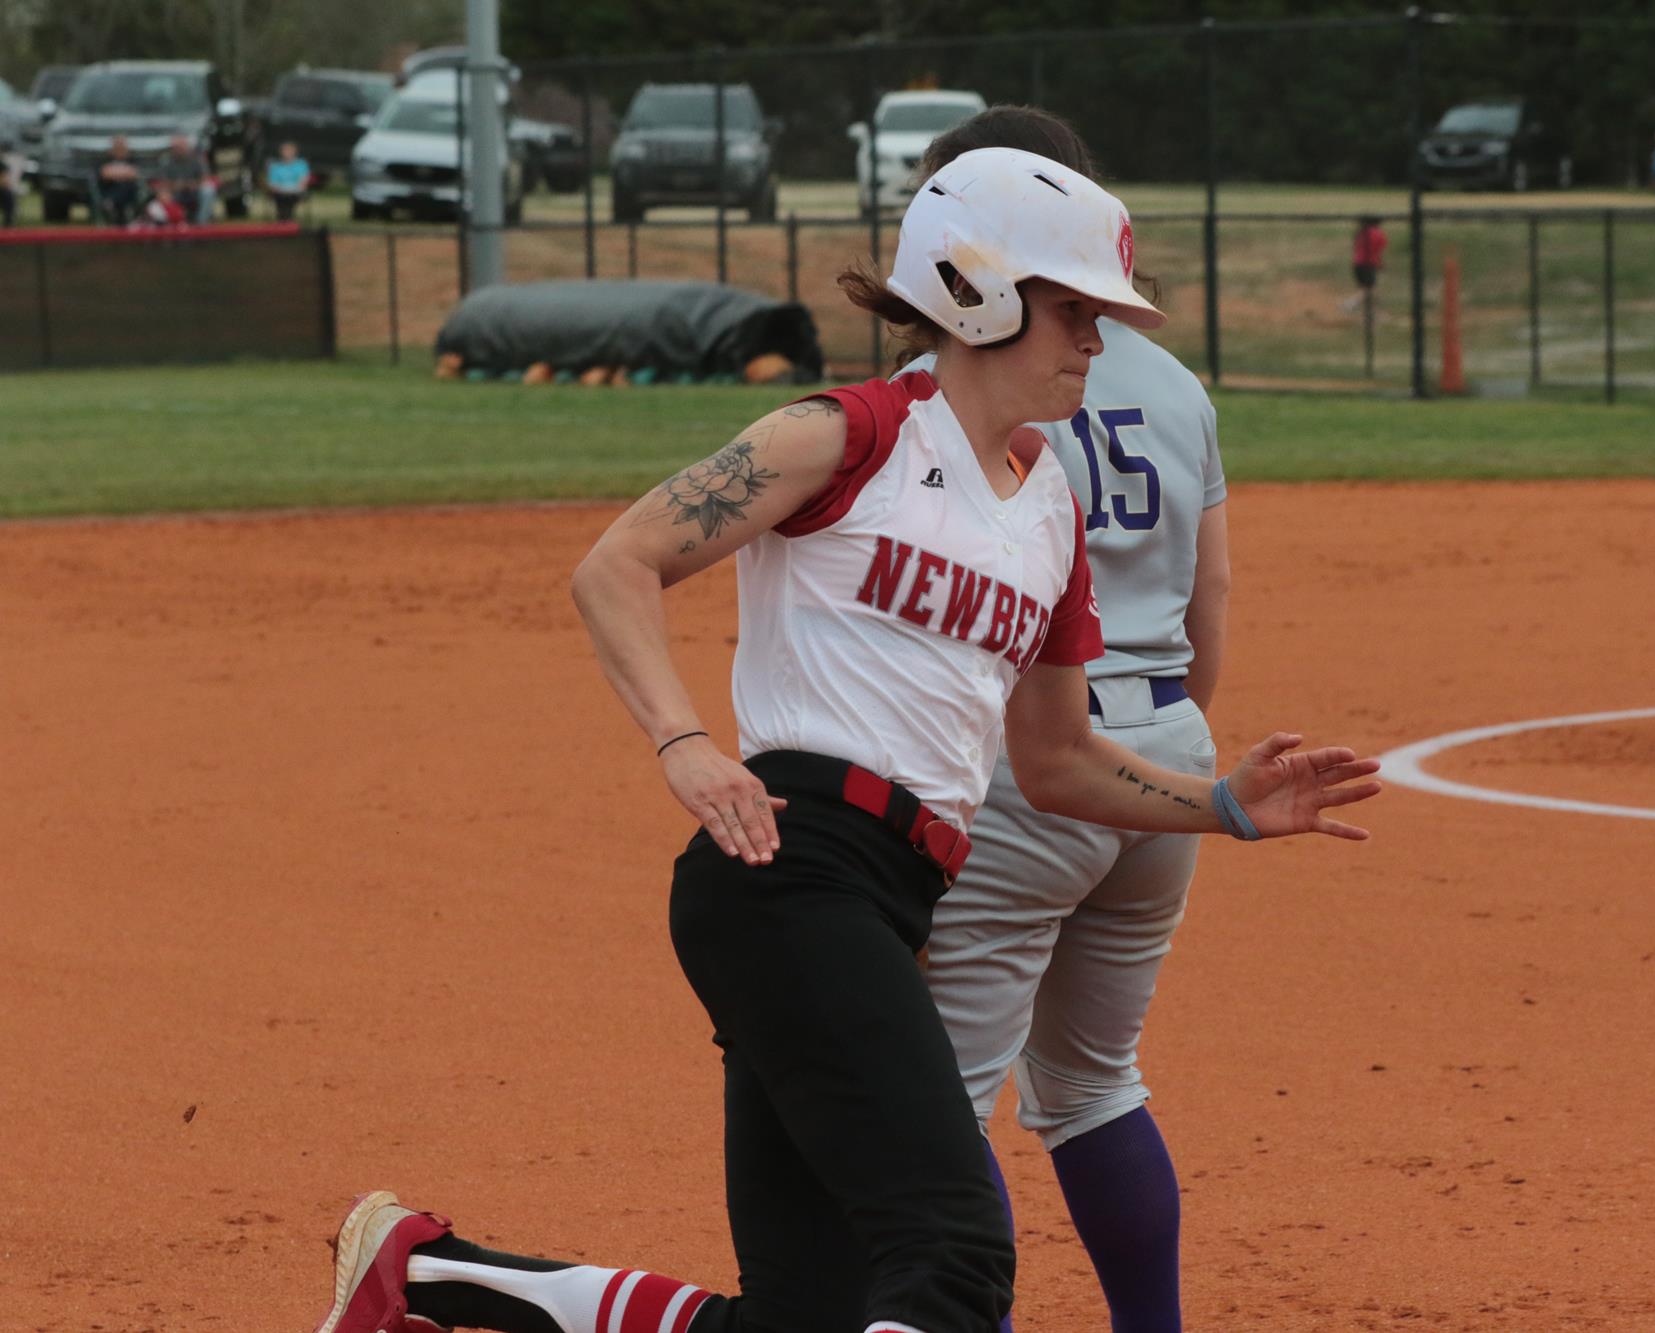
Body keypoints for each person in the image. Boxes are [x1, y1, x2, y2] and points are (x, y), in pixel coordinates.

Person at [306, 146, 1383, 1333]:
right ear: (978, 295)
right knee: (954, 1245)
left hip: (890, 892)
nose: (1094, 341)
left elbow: (1057, 761)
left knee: (803, 1314)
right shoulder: (846, 433)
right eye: (1074, 311)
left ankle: (422, 1275)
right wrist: (685, 744)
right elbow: (615, 567)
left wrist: (1219, 804)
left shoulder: (1047, 510)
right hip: (788, 869)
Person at [899, 106, 1223, 1333]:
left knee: (935, 1101)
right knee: (1091, 1082)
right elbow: (1211, 592)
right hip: (1161, 751)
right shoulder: (1177, 384)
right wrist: (1168, 750)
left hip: (1023, 768)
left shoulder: (950, 384)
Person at [162, 134, 216, 224]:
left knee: (208, 190)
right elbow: (163, 183)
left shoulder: (197, 159)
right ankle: (173, 224)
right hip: (176, 192)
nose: (178, 150)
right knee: (164, 195)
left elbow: (205, 178)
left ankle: (201, 223)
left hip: (194, 191)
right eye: (175, 148)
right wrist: (175, 186)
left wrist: (193, 184)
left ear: (187, 146)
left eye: (180, 147)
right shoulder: (167, 161)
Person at [1342, 215, 1388, 314]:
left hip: (1357, 263)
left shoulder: (1361, 232)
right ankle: (1349, 305)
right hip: (1369, 264)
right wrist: (1380, 263)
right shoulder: (1378, 233)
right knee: (1368, 290)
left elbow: (1356, 247)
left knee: (1369, 289)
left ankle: (1374, 311)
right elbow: (1378, 250)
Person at [95, 135, 142, 226]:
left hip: (129, 194)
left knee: (126, 186)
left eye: (122, 146)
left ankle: (111, 203)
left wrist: (115, 173)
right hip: (109, 190)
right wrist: (123, 174)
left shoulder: (132, 160)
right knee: (121, 186)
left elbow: (133, 174)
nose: (120, 149)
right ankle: (114, 208)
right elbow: (105, 174)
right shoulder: (104, 160)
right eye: (117, 146)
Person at [266, 140, 310, 222]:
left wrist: (296, 188)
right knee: (281, 197)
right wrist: (279, 189)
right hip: (279, 193)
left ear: (294, 152)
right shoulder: (275, 166)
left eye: (289, 150)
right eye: (285, 150)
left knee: (289, 198)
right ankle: (284, 221)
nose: (287, 153)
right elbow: (272, 184)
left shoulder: (301, 164)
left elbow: (303, 181)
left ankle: (286, 221)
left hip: (295, 192)